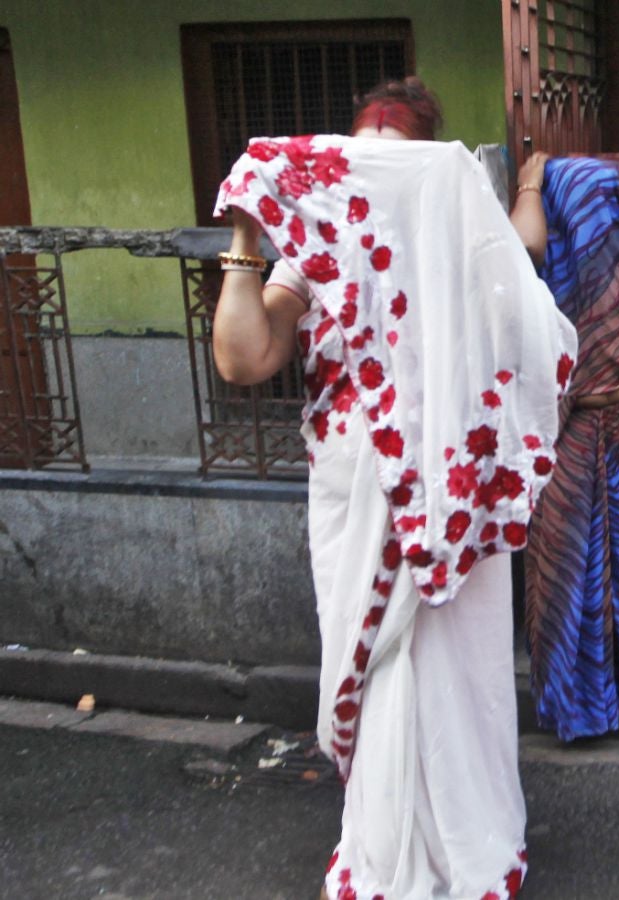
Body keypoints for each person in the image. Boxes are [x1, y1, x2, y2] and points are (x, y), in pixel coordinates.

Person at [211, 78, 577, 900]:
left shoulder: (459, 241)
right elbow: (244, 358)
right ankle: (385, 847)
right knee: (382, 679)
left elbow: (535, 321)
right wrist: (248, 227)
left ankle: (468, 843)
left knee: (454, 679)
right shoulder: (322, 253)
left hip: (451, 502)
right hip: (356, 501)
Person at [510, 148, 619, 741]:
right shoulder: (538, 272)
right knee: (566, 570)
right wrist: (532, 197)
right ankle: (582, 699)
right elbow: (520, 251)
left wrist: (533, 189)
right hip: (574, 427)